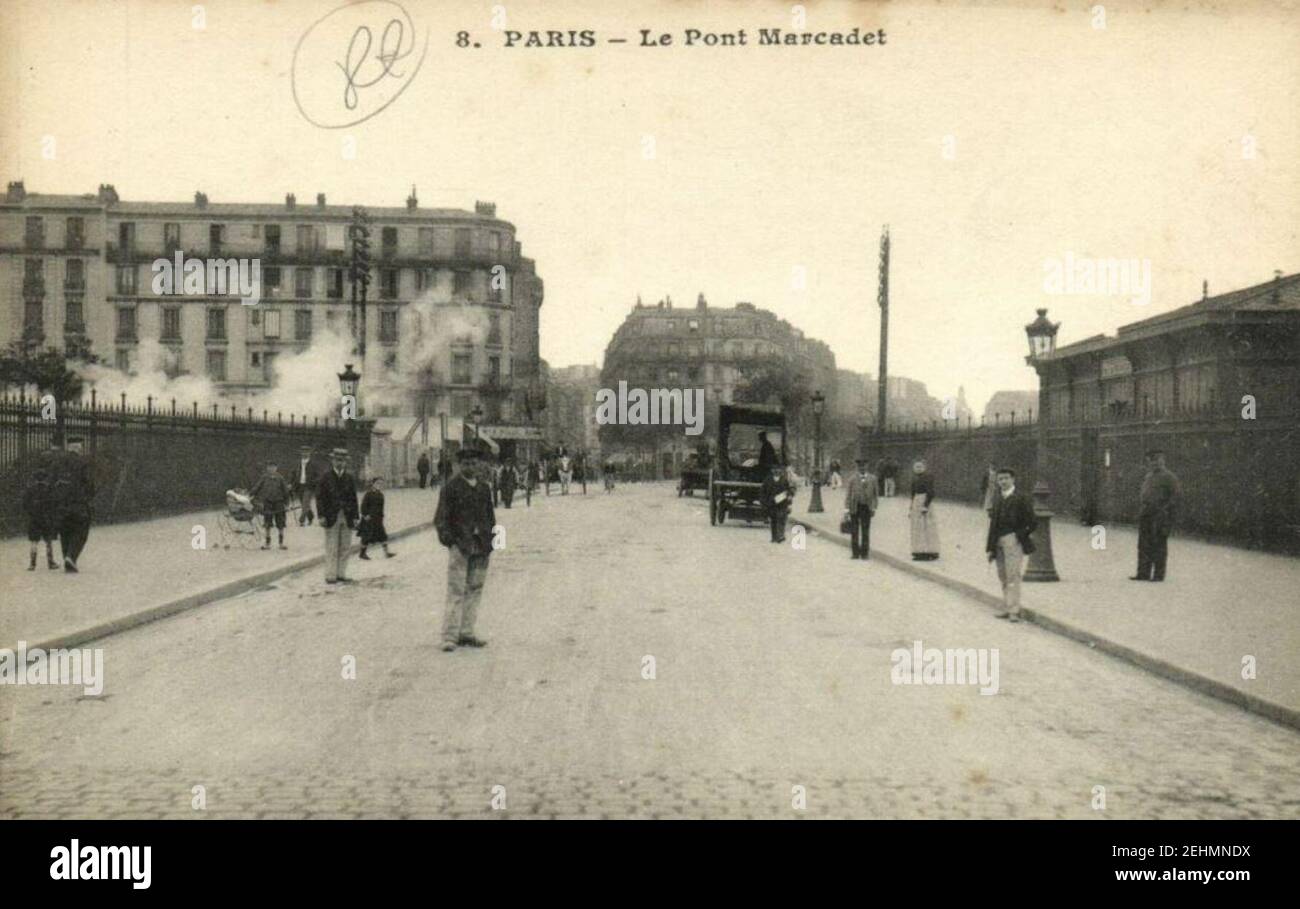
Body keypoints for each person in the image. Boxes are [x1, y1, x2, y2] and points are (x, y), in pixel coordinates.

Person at [434, 446, 497, 652]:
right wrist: (450, 541)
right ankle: (450, 635)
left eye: (473, 463)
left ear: (479, 465)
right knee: (456, 589)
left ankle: (467, 632)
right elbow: (441, 519)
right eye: (466, 463)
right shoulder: (451, 488)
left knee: (475, 588)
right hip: (460, 546)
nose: (470, 466)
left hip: (480, 545)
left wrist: (490, 539)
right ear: (460, 465)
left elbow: (490, 516)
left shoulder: (484, 488)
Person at [985, 468, 1036, 621]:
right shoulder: (998, 498)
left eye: (1006, 478)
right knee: (1003, 575)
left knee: (1013, 575)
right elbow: (993, 524)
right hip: (998, 541)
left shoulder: (1022, 498)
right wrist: (990, 547)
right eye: (1000, 479)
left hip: (1012, 540)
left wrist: (1018, 535)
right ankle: (1007, 607)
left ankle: (1014, 610)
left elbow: (1032, 522)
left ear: (1013, 480)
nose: (1003, 482)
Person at [45, 437, 94, 573]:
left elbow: (50, 481)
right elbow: (89, 483)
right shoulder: (82, 462)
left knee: (65, 530)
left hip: (60, 503)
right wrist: (88, 497)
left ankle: (67, 556)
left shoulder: (57, 461)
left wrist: (52, 500)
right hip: (77, 503)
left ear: (68, 447)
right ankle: (71, 557)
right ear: (78, 448)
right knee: (81, 530)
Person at [1132, 449, 1181, 582]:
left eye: (1157, 460)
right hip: (1146, 513)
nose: (1154, 463)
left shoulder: (1169, 477)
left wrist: (1165, 510)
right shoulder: (1149, 476)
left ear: (1162, 461)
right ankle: (1143, 572)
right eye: (1152, 461)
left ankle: (1158, 575)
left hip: (1160, 514)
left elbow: (1175, 496)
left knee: (1158, 544)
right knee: (1144, 544)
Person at [317, 448, 360, 584]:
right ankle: (330, 575)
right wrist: (321, 516)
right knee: (332, 546)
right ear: (333, 461)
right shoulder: (325, 477)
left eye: (342, 460)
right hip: (331, 516)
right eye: (337, 460)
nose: (340, 463)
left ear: (345, 462)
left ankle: (341, 574)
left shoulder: (349, 478)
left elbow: (354, 498)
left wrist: (355, 517)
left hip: (347, 516)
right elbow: (320, 498)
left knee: (345, 546)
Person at [22, 467, 58, 571]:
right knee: (48, 541)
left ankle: (32, 563)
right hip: (46, 518)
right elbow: (53, 503)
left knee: (34, 541)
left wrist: (30, 512)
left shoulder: (30, 489)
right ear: (45, 478)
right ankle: (50, 562)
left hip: (34, 518)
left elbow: (25, 504)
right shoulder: (48, 489)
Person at [249, 461, 291, 550]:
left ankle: (281, 543)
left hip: (279, 502)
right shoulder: (264, 477)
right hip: (267, 502)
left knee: (280, 523)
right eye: (270, 467)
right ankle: (267, 543)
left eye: (273, 467)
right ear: (267, 468)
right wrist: (250, 494)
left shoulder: (280, 478)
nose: (271, 469)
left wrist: (287, 504)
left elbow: (285, 491)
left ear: (276, 468)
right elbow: (257, 487)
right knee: (267, 523)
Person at [843, 457, 879, 560]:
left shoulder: (873, 479)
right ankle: (855, 553)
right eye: (860, 466)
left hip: (867, 507)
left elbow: (875, 495)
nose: (862, 468)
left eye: (864, 466)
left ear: (867, 466)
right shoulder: (852, 479)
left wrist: (874, 508)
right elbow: (848, 494)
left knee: (865, 530)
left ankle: (865, 553)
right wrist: (846, 509)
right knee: (854, 531)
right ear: (857, 467)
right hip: (855, 506)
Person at [908, 459, 940, 560]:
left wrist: (925, 505)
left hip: (924, 502)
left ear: (924, 467)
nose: (918, 468)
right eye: (916, 466)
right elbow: (913, 494)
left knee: (927, 526)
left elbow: (931, 492)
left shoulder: (928, 477)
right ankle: (918, 551)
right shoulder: (914, 479)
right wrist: (911, 507)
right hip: (916, 502)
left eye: (920, 466)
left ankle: (930, 551)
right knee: (917, 527)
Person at [358, 477, 396, 559]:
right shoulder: (368, 494)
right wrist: (365, 515)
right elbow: (363, 506)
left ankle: (386, 553)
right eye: (378, 483)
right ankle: (362, 553)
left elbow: (381, 507)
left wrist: (382, 516)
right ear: (373, 484)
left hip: (378, 519)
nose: (380, 485)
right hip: (369, 519)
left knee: (383, 535)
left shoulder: (381, 495)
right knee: (366, 537)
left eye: (381, 484)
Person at [761, 462, 793, 544]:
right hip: (771, 503)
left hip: (782, 503)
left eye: (778, 469)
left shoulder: (784, 480)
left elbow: (788, 489)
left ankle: (780, 536)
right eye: (775, 469)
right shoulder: (767, 480)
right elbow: (763, 492)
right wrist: (764, 502)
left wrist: (788, 495)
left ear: (780, 471)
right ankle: (774, 537)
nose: (776, 471)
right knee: (773, 520)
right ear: (772, 471)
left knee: (781, 518)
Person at [294, 446, 324, 526]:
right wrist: (291, 483)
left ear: (310, 453)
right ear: (301, 453)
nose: (305, 453)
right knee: (304, 504)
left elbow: (319, 476)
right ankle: (310, 516)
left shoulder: (314, 464)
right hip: (300, 486)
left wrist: (313, 482)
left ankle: (302, 520)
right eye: (303, 451)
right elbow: (293, 474)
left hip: (309, 487)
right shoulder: (298, 463)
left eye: (307, 452)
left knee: (305, 502)